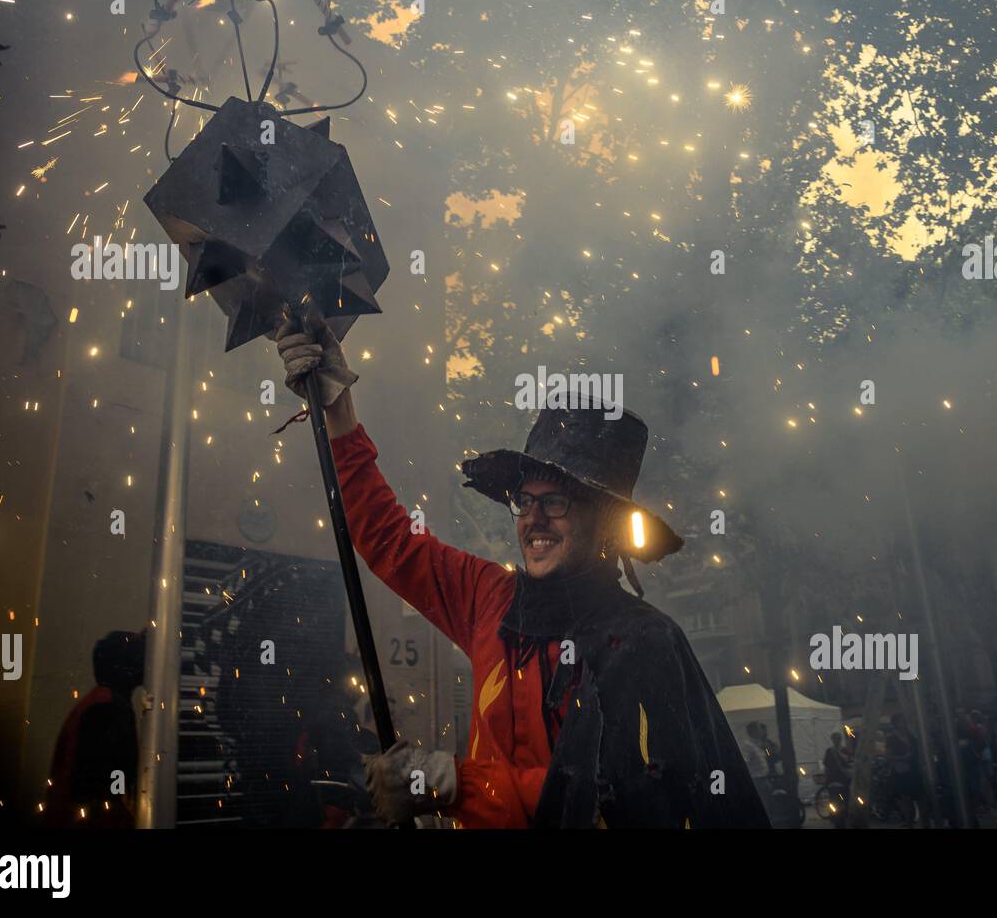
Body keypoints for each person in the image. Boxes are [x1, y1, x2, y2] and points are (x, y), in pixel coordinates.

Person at [275, 313, 768, 828]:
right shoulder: (492, 598)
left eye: (555, 502)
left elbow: (613, 798)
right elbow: (386, 535)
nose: (533, 519)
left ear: (603, 522)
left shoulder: (643, 641)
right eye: (523, 501)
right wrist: (336, 405)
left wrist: (452, 783)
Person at [44, 630, 145, 827]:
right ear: (124, 666)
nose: (144, 663)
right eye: (138, 656)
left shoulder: (99, 701)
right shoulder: (107, 708)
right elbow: (103, 789)